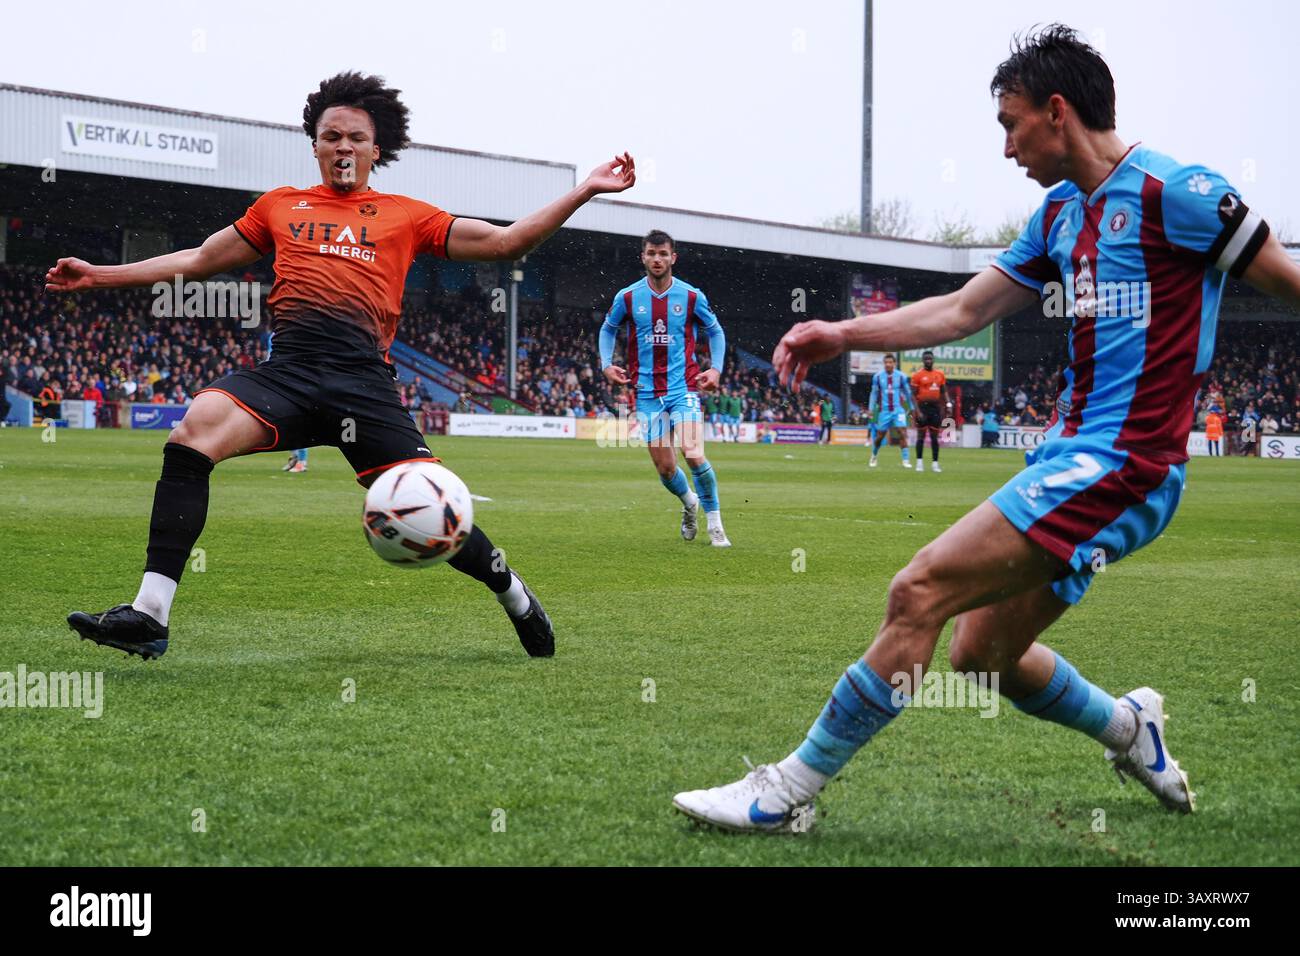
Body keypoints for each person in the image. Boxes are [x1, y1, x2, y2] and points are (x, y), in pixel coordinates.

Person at [672, 24, 1300, 832]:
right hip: (1077, 456)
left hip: (1128, 463)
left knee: (918, 589)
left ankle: (785, 792)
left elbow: (1286, 278)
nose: (1007, 147)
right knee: (982, 656)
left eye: (1010, 123)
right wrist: (843, 331)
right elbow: (963, 309)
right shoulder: (1060, 214)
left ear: (1057, 110)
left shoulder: (1175, 192)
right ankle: (1127, 726)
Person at [52, 71, 635, 662]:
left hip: (364, 388)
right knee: (193, 430)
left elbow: (509, 243)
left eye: (356, 137)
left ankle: (515, 596)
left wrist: (584, 190)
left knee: (432, 508)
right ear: (315, 145)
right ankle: (150, 614)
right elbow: (202, 259)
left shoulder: (406, 215)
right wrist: (99, 275)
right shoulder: (280, 206)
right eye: (331, 136)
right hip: (288, 376)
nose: (343, 147)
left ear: (376, 150)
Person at [599, 229, 731, 547]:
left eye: (663, 254)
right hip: (645, 393)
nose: (657, 259)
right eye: (651, 253)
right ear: (643, 257)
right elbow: (608, 329)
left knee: (693, 453)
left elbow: (716, 331)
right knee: (666, 467)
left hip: (683, 387)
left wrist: (716, 368)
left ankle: (716, 524)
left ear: (673, 257)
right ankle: (689, 503)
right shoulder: (628, 297)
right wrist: (606, 364)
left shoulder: (691, 296)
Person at [867, 354, 915, 468]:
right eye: (886, 362)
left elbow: (908, 393)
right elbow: (874, 393)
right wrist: (871, 408)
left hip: (898, 410)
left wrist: (912, 408)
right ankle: (874, 456)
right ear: (884, 363)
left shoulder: (901, 376)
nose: (888, 364)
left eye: (890, 362)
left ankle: (906, 460)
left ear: (894, 363)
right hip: (884, 411)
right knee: (880, 436)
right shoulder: (877, 377)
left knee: (902, 433)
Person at [910, 350, 952, 472]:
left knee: (934, 437)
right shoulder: (917, 375)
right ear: (923, 361)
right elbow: (912, 395)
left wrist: (948, 404)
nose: (928, 361)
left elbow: (944, 392)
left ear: (933, 360)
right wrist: (917, 411)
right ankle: (919, 463)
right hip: (922, 407)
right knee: (921, 436)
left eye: (930, 358)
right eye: (926, 359)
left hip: (935, 408)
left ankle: (935, 464)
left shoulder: (940, 374)